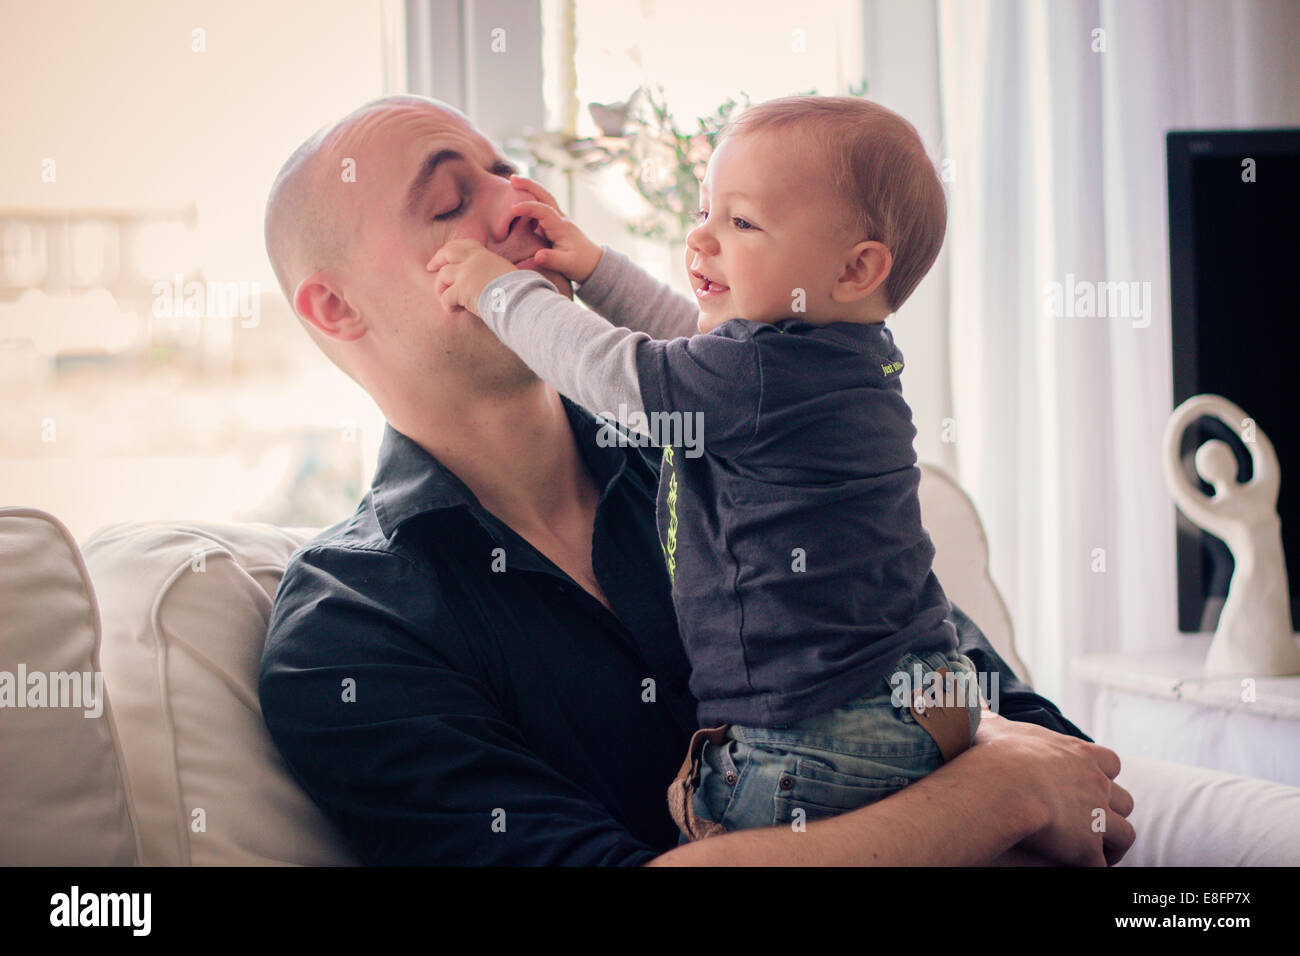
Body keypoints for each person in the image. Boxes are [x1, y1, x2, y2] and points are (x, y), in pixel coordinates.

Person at [258, 93, 1135, 866]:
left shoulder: (739, 438)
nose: (519, 202)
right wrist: (997, 798)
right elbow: (1027, 778)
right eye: (451, 200)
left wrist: (1022, 774)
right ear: (335, 307)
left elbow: (1041, 746)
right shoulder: (349, 632)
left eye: (510, 171)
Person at [429, 94, 983, 841]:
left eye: (741, 222)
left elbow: (621, 375)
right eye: (705, 210)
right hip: (932, 687)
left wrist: (500, 290)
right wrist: (594, 270)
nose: (701, 236)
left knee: (716, 824)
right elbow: (687, 351)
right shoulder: (844, 355)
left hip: (821, 726)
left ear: (856, 268)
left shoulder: (757, 376)